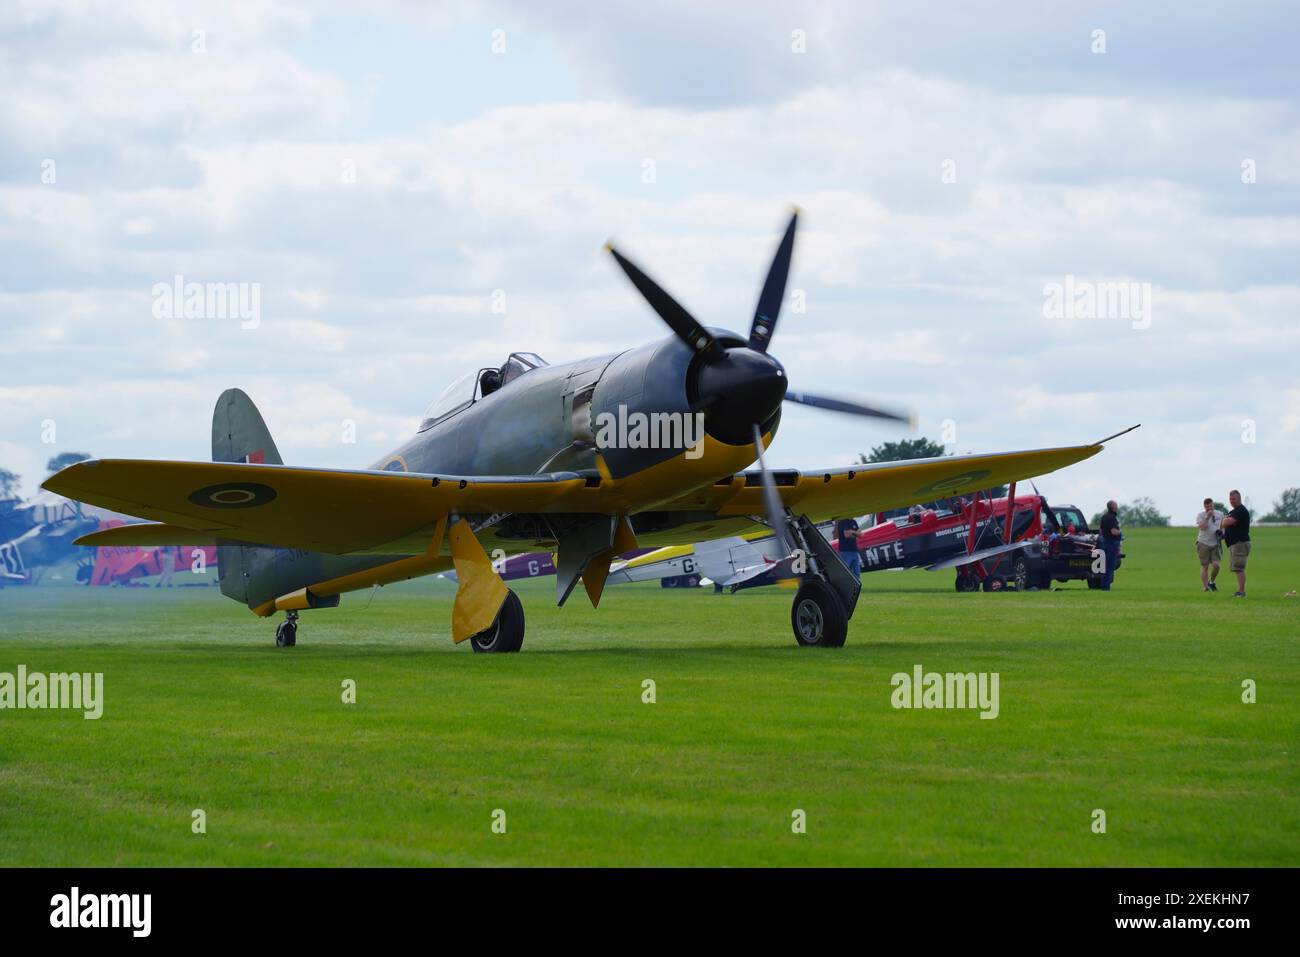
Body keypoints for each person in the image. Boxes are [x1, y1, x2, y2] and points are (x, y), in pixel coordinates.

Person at [1220, 489, 1251, 597]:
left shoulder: (1240, 510)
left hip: (1240, 543)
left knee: (1239, 568)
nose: (1231, 501)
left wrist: (1224, 521)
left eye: (1234, 499)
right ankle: (1240, 591)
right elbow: (1226, 523)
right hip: (1235, 544)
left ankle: (1241, 592)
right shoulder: (1233, 511)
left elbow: (1228, 522)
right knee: (1237, 568)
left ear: (1239, 499)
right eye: (1230, 499)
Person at [1195, 497, 1223, 591]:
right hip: (1203, 543)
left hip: (1215, 543)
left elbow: (1223, 526)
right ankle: (1205, 587)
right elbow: (1202, 527)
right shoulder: (1200, 515)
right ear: (1204, 506)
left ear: (1213, 505)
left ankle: (1211, 582)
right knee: (1205, 566)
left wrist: (1222, 533)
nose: (1209, 508)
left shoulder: (1220, 514)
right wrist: (1207, 517)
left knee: (1216, 565)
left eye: (1210, 506)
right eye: (1207, 507)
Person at [1096, 500, 1121, 590]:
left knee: (1105, 566)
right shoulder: (1112, 518)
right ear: (1113, 507)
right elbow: (1113, 532)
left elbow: (1101, 531)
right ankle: (1106, 587)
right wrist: (1120, 532)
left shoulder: (1104, 517)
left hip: (1105, 542)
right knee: (1110, 566)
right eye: (1116, 505)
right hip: (1112, 544)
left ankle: (1104, 586)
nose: (1117, 507)